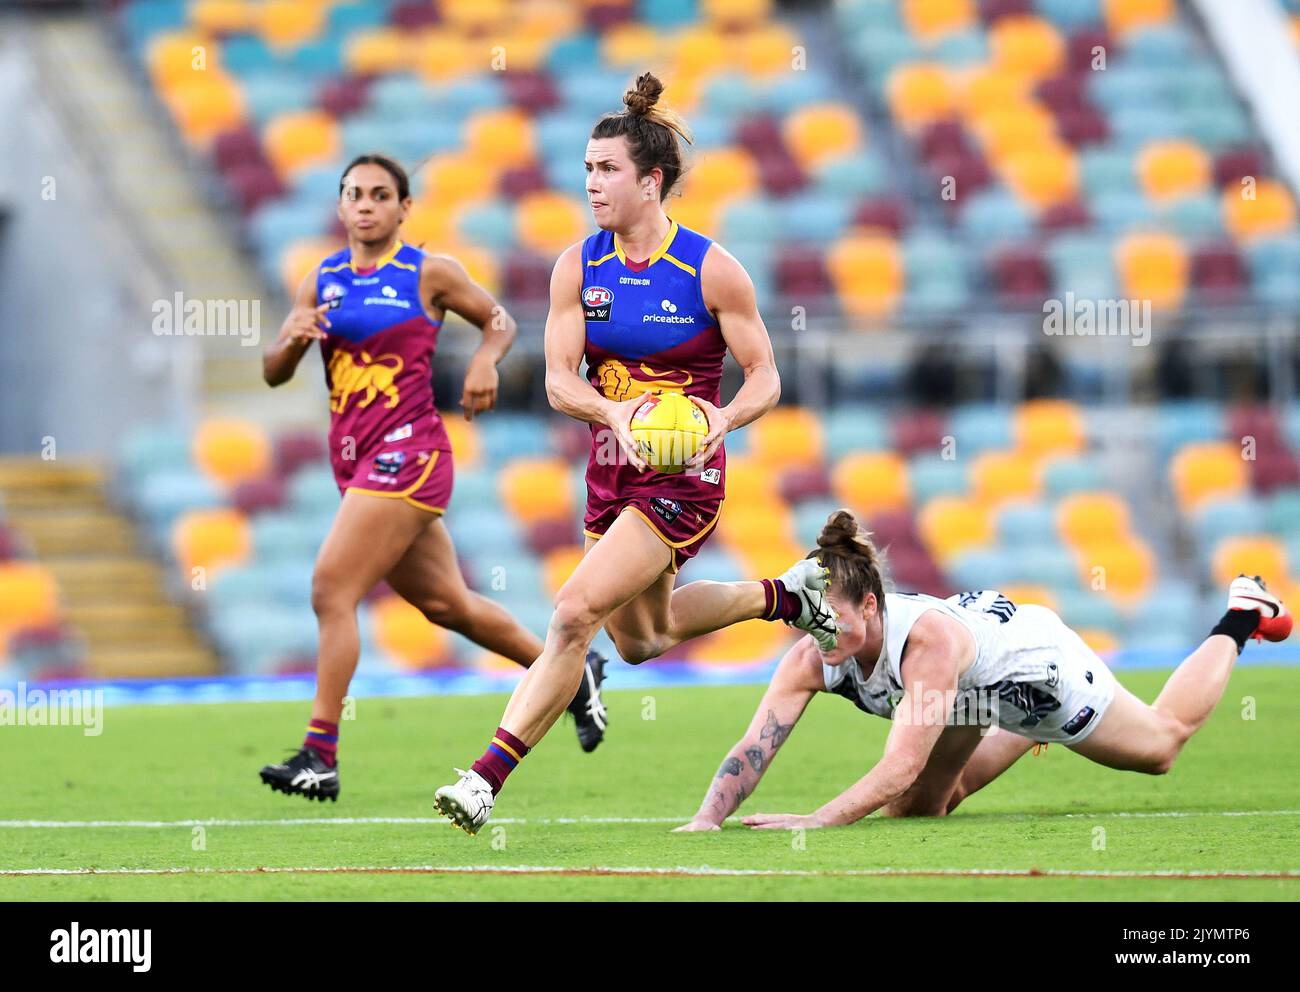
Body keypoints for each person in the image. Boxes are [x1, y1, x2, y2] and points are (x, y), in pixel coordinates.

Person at [432, 73, 839, 834]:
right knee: (643, 639)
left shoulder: (710, 269)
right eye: (587, 168)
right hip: (612, 469)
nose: (591, 184)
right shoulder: (577, 269)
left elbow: (766, 378)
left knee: (573, 613)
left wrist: (719, 423)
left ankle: (485, 779)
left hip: (684, 477)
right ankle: (789, 597)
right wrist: (614, 410)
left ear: (652, 182)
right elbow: (557, 382)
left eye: (607, 169)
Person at [258, 154, 609, 802]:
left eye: (379, 194)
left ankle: (320, 754)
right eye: (353, 194)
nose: (364, 204)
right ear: (340, 207)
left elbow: (499, 321)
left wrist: (483, 361)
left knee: (331, 588)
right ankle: (571, 671)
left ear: (402, 208)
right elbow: (274, 373)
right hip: (355, 459)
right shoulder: (323, 279)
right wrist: (290, 341)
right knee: (448, 605)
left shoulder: (428, 273)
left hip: (410, 451)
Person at [675, 508, 1292, 830]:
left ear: (871, 603)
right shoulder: (816, 655)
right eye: (810, 618)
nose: (819, 633)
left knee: (1161, 745)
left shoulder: (927, 645)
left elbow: (900, 765)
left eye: (831, 617)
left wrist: (815, 820)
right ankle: (1013, 731)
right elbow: (755, 743)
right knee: (918, 813)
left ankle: (1241, 612)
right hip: (971, 692)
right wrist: (708, 818)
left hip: (1037, 671)